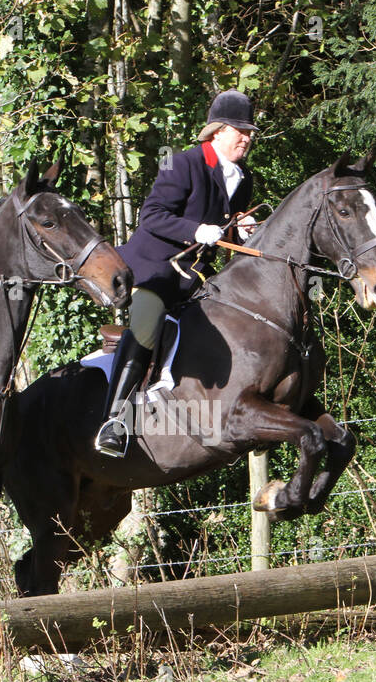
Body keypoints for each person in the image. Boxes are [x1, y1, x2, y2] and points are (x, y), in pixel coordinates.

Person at [95, 89, 257, 457]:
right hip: (154, 270)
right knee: (148, 322)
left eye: (250, 132)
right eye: (239, 130)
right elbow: (151, 216)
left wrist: (240, 229)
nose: (247, 137)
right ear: (217, 132)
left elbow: (227, 228)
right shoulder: (182, 163)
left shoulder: (243, 178)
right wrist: (197, 229)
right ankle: (115, 422)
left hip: (196, 279)